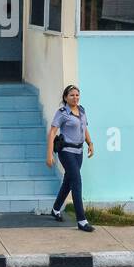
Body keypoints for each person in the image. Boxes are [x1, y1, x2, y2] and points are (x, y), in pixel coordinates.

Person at [46, 84, 95, 232]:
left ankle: (55, 209)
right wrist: (49, 153)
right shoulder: (62, 113)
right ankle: (81, 220)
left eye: (77, 95)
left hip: (78, 152)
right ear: (66, 98)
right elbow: (53, 132)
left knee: (68, 182)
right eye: (72, 95)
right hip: (66, 151)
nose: (75, 98)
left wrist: (90, 143)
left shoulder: (81, 110)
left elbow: (84, 128)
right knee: (77, 182)